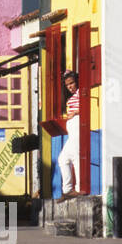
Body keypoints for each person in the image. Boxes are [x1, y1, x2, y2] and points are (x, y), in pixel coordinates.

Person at [55, 70, 81, 200]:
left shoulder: (82, 93)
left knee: (75, 157)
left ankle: (77, 189)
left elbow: (86, 106)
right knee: (63, 159)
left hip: (77, 127)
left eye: (72, 83)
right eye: (67, 85)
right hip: (72, 130)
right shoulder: (71, 97)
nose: (70, 86)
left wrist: (75, 113)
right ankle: (68, 190)